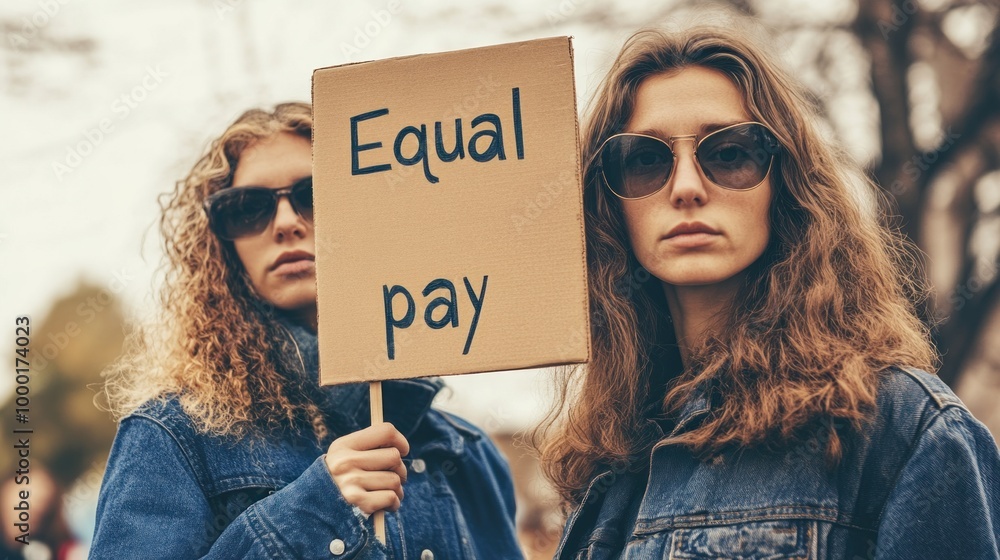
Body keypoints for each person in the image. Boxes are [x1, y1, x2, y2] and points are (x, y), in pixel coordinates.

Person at [534, 23, 1000, 559]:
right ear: (609, 205)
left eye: (729, 154)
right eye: (645, 160)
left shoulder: (903, 428)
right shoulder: (608, 455)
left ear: (787, 186)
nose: (686, 187)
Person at [90, 102, 523, 559]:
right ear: (220, 246)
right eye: (247, 208)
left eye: (315, 195)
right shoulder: (173, 436)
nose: (285, 223)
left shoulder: (466, 453)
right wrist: (314, 511)